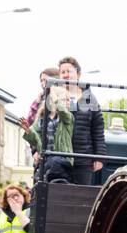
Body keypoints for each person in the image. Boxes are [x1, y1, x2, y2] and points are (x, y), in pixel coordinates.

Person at [57, 56, 106, 185]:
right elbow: (41, 124)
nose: (66, 75)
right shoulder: (53, 96)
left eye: (69, 71)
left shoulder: (90, 98)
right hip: (58, 157)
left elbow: (98, 128)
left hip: (83, 159)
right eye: (63, 72)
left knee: (80, 198)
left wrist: (99, 156)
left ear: (78, 74)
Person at [23, 82, 75, 182]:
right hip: (45, 159)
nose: (69, 102)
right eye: (66, 99)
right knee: (40, 176)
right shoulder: (41, 119)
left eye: (69, 100)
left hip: (62, 159)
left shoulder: (67, 118)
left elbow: (63, 112)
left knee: (54, 164)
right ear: (51, 100)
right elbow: (35, 140)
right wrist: (28, 130)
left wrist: (54, 96)